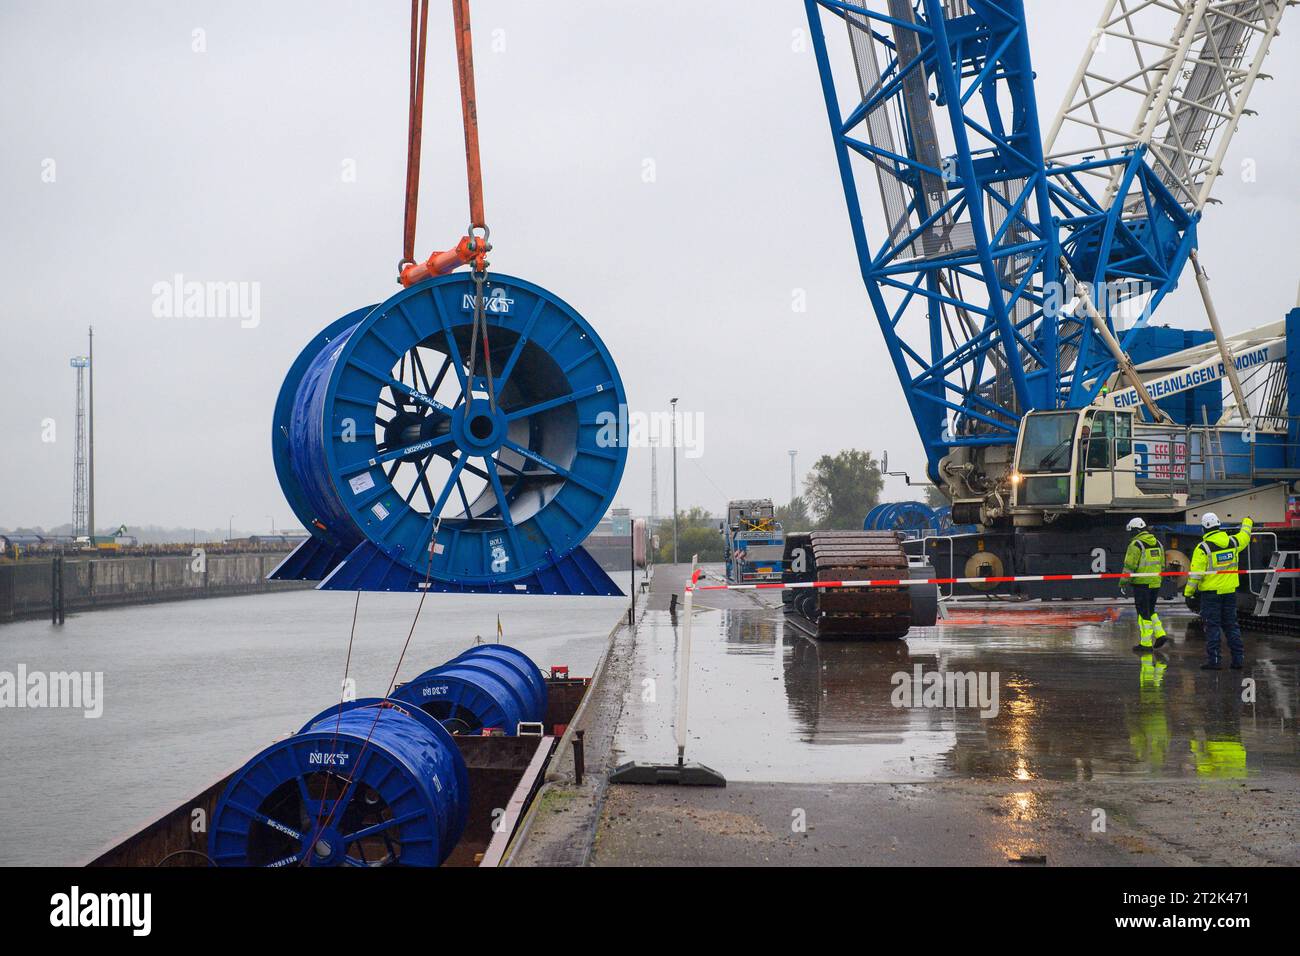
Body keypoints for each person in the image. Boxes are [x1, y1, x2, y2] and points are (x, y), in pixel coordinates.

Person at [1183, 512, 1252, 670]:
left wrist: (1188, 593)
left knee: (1212, 626)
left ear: (1204, 528)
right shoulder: (1233, 542)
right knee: (1231, 626)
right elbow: (1245, 536)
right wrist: (1247, 521)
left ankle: (1214, 661)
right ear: (1219, 525)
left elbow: (1195, 576)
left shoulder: (1203, 548)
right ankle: (1238, 660)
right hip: (1229, 593)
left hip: (1211, 595)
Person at [1120, 517, 1168, 651]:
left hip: (1142, 583)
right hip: (1155, 582)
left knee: (1142, 612)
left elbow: (1129, 566)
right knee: (1151, 610)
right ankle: (1160, 634)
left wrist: (1123, 582)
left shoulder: (1136, 545)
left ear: (1135, 530)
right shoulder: (1158, 543)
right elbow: (1162, 565)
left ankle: (1146, 643)